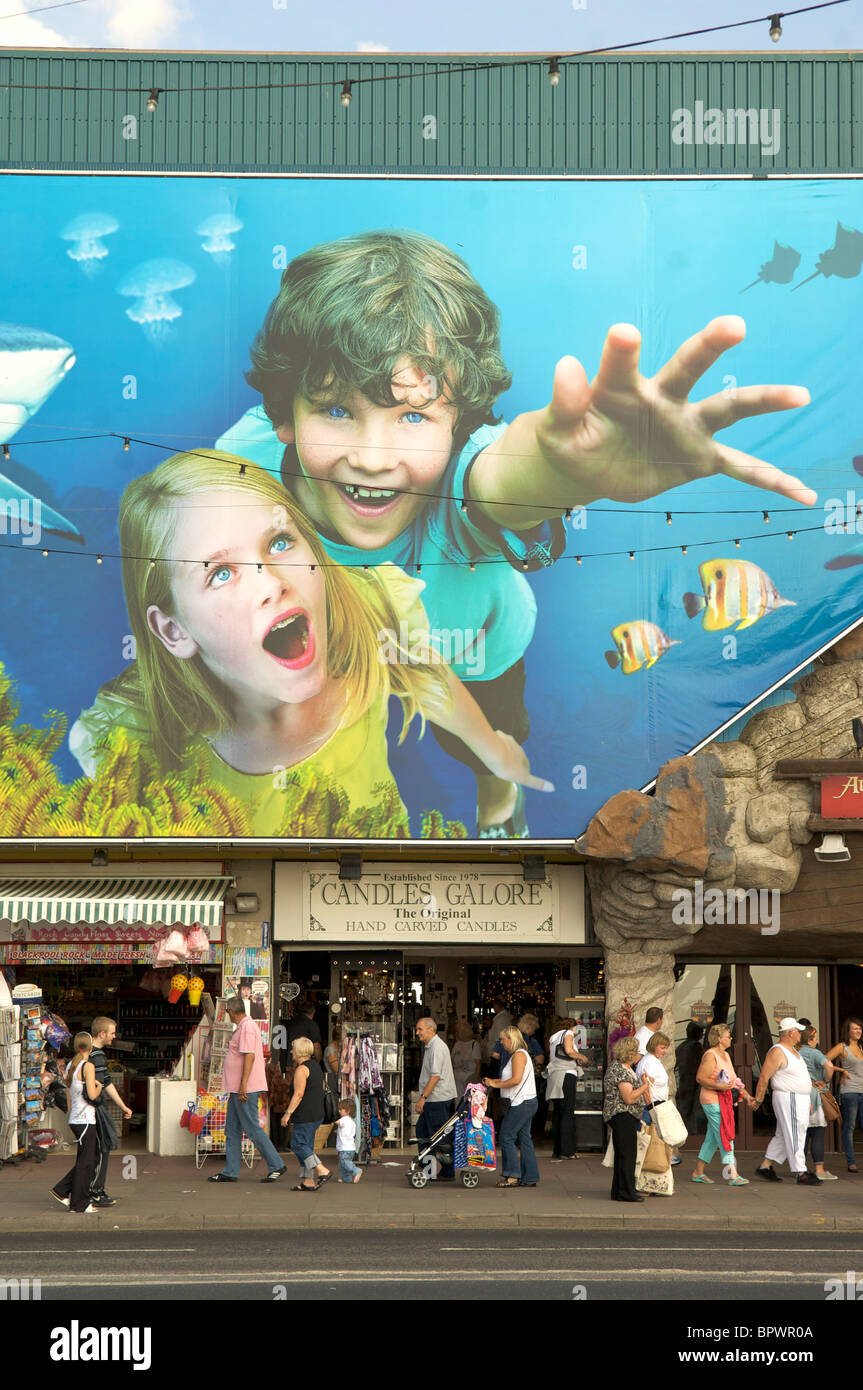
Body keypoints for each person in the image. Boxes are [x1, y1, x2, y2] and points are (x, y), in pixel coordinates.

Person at [219, 230, 814, 835]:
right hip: (328, 644)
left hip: (469, 640)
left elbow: (502, 479)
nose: (373, 458)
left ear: (458, 424)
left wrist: (561, 474)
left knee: (484, 739)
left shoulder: (463, 474)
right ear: (284, 416)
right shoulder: (238, 472)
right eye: (336, 410)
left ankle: (496, 785)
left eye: (414, 415)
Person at [70, 450, 551, 836]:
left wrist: (492, 749)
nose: (271, 583)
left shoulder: (367, 607)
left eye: (280, 542)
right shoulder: (140, 738)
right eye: (220, 573)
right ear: (175, 631)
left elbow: (429, 678)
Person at [209, 995, 287, 1184]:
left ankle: (276, 1164)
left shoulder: (247, 1027)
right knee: (232, 1129)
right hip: (238, 1088)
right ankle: (230, 1171)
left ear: (230, 1012)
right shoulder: (244, 1027)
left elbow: (249, 1056)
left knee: (251, 1128)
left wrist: (243, 1084)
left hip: (245, 1088)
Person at [754, 1018, 822, 1186]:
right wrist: (758, 1099)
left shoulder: (792, 1051)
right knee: (795, 1132)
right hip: (789, 1096)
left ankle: (765, 1166)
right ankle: (800, 1171)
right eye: (798, 1031)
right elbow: (764, 1076)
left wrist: (807, 1099)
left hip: (799, 1098)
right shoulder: (778, 1051)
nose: (800, 1034)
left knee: (785, 1134)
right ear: (791, 1032)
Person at [691, 1023, 754, 1185]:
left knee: (712, 1138)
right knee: (725, 1134)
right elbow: (700, 1078)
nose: (731, 1038)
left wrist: (747, 1096)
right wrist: (718, 1086)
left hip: (723, 1100)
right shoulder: (710, 1055)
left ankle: (698, 1172)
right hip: (712, 1100)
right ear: (719, 1039)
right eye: (728, 1036)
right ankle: (732, 1174)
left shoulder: (725, 1055)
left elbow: (734, 1080)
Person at [50, 1032, 102, 1214]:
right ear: (90, 1047)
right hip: (86, 1119)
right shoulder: (88, 1066)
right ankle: (79, 1203)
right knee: (86, 1162)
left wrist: (71, 1115)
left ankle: (62, 1190)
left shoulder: (71, 1065)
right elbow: (92, 1095)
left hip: (76, 1119)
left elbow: (69, 1094)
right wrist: (99, 1086)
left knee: (90, 1158)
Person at [483, 1025, 539, 1188]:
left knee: (506, 1136)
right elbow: (513, 1079)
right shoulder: (518, 1055)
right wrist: (493, 1082)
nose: (501, 1042)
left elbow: (515, 1080)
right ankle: (530, 1176)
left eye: (503, 1039)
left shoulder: (519, 1055)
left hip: (521, 1102)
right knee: (524, 1139)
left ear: (511, 1039)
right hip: (526, 1102)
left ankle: (512, 1175)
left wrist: (495, 1083)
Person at [88, 1016, 132, 1209]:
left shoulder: (88, 1052)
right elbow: (102, 1083)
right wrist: (122, 1106)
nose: (114, 1037)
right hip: (95, 1109)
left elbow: (106, 1081)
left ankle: (91, 1189)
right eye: (112, 1033)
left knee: (98, 1149)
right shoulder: (97, 1055)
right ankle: (95, 1191)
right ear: (102, 1033)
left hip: (90, 1109)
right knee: (101, 1149)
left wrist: (122, 1106)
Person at [604, 1037, 652, 1202]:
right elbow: (629, 1098)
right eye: (637, 1051)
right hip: (623, 1115)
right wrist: (645, 1086)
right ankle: (626, 1192)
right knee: (627, 1155)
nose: (639, 1055)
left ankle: (619, 1191)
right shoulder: (622, 1071)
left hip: (622, 1116)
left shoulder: (621, 1067)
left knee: (622, 1155)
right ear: (630, 1053)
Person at [281, 1036, 331, 1190]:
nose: (291, 1052)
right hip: (316, 1113)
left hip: (305, 1114)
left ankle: (322, 1170)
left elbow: (298, 1094)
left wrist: (288, 1113)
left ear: (299, 1051)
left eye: (293, 1049)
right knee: (306, 1147)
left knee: (298, 1144)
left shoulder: (301, 1069)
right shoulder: (316, 1066)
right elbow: (322, 1087)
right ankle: (308, 1180)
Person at [415, 1017, 458, 1181]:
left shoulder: (437, 1047)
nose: (417, 1032)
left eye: (420, 1029)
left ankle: (447, 1171)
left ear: (431, 1029)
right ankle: (428, 1170)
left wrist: (423, 1098)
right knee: (424, 1133)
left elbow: (435, 1076)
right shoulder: (431, 1046)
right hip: (434, 1099)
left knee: (439, 1137)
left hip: (438, 1099)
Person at [800, 1024, 844, 1181]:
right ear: (810, 1039)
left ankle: (801, 1168)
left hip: (800, 1095)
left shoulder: (796, 1052)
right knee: (817, 1134)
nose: (817, 1041)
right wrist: (826, 1080)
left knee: (803, 1135)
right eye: (815, 1038)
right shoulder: (814, 1053)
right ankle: (819, 1169)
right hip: (816, 1095)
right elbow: (829, 1065)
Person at [546, 1016, 589, 1161]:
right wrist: (581, 1057)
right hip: (566, 1075)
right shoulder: (568, 1033)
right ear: (572, 1026)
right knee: (567, 1113)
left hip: (554, 1076)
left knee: (558, 1112)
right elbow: (569, 1051)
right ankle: (567, 1150)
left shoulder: (553, 1037)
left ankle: (557, 1149)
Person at [826, 1017, 863, 1173]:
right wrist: (841, 1071)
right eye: (855, 1028)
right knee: (850, 1127)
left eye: (860, 1028)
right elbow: (824, 1060)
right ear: (847, 1031)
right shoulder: (842, 1047)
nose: (858, 1031)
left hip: (862, 1090)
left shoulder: (861, 1047)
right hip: (849, 1091)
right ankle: (851, 1162)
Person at [675, 1021, 705, 1133]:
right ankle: (691, 1132)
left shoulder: (681, 1046)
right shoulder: (696, 1046)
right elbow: (700, 1064)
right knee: (691, 1109)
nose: (702, 1033)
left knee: (684, 1108)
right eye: (701, 1031)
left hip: (683, 1080)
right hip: (693, 1080)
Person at [451, 1020, 482, 1097]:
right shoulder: (457, 1044)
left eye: (457, 1031)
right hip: (456, 1079)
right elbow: (451, 1061)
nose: (456, 1033)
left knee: (469, 1100)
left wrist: (476, 1078)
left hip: (470, 1078)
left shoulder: (474, 1045)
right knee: (458, 1100)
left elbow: (478, 1064)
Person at [336, 1096, 362, 1184]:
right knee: (342, 1165)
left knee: (345, 1163)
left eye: (341, 1109)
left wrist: (331, 1119)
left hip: (345, 1148)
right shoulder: (351, 1121)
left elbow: (338, 1122)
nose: (339, 1111)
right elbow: (348, 1132)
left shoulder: (344, 1119)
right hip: (350, 1148)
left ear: (348, 1111)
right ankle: (347, 1179)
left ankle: (356, 1171)